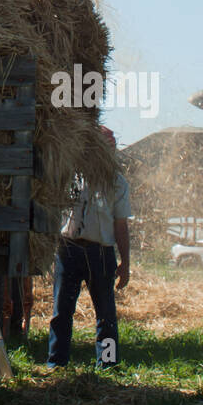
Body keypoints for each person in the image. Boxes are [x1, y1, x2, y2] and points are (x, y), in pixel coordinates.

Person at [47, 128, 132, 369]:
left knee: (106, 314)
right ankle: (56, 364)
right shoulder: (70, 176)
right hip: (69, 249)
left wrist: (125, 262)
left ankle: (107, 363)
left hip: (101, 253)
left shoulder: (117, 182)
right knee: (61, 311)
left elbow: (121, 225)